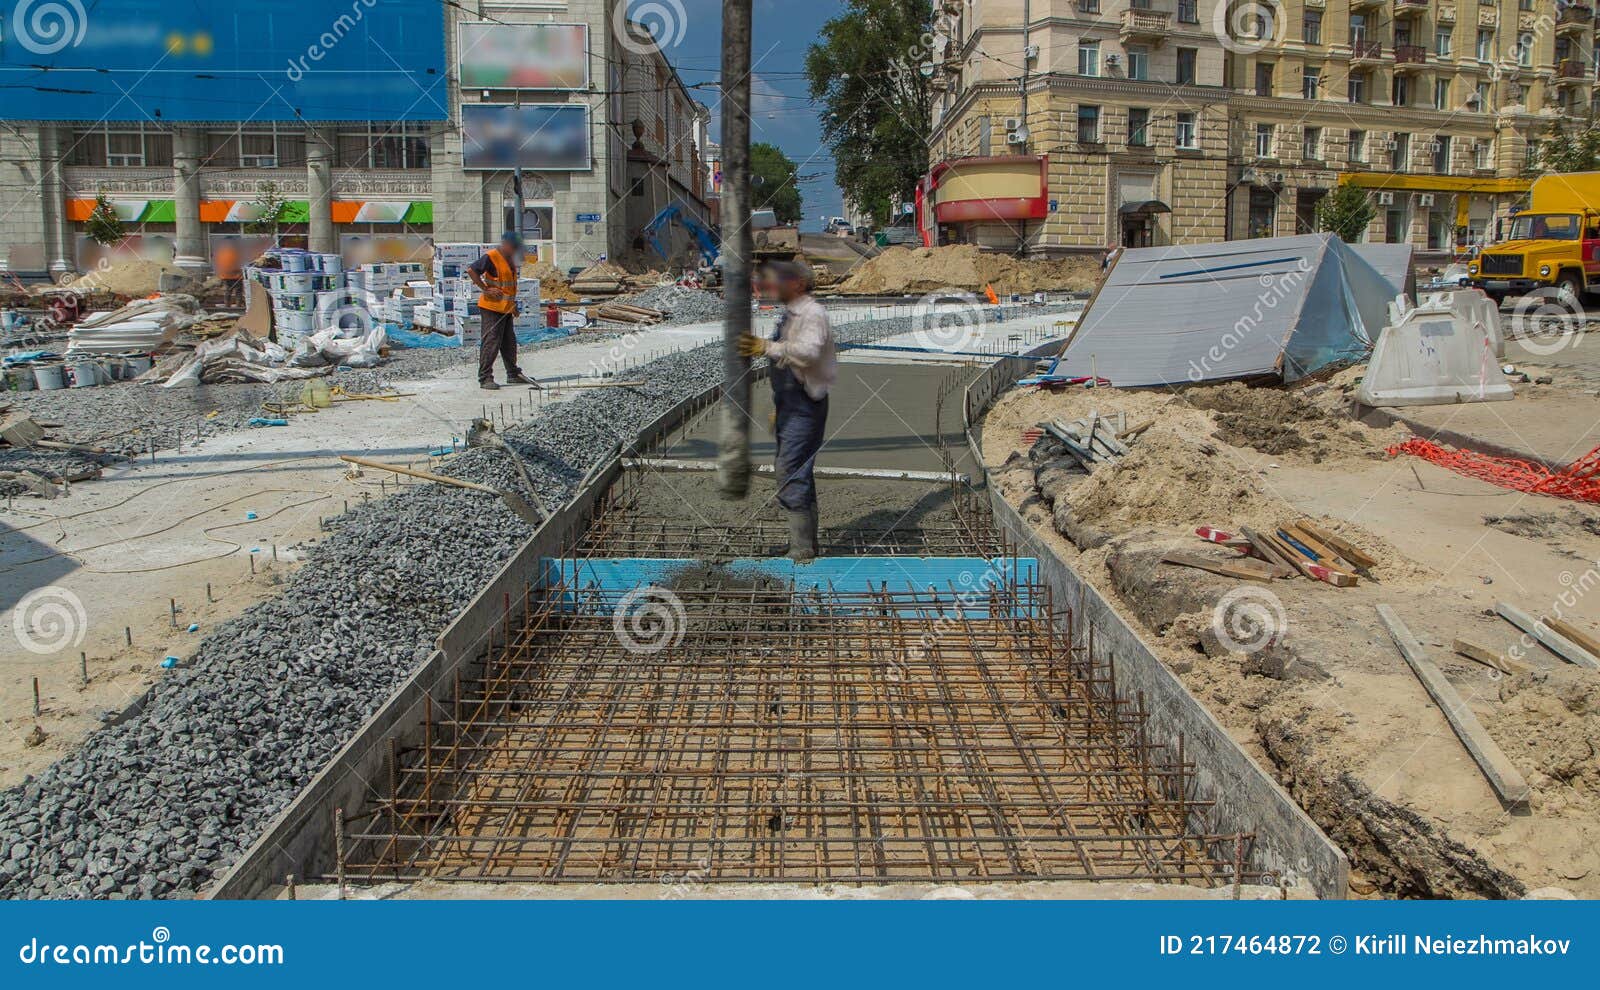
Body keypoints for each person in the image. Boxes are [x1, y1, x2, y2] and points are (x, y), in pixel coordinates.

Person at [737, 261, 836, 563]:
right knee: (797, 470)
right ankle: (806, 542)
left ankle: (802, 547)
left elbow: (808, 353)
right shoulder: (792, 314)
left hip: (805, 405)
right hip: (792, 404)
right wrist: (780, 406)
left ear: (798, 284)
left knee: (790, 470)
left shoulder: (812, 314)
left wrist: (767, 347)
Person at [468, 232, 539, 391]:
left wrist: (513, 306)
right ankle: (485, 377)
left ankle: (513, 373)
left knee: (509, 342)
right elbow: (472, 270)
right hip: (491, 308)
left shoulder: (509, 260)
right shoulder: (491, 257)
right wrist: (486, 289)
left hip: (505, 308)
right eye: (513, 247)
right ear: (506, 244)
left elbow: (508, 287)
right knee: (491, 342)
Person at [215, 238, 244, 308]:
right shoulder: (237, 253)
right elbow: (240, 263)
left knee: (228, 291)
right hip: (236, 275)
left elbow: (218, 264)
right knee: (238, 292)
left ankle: (227, 306)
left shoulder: (221, 253)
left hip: (225, 275)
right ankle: (238, 306)